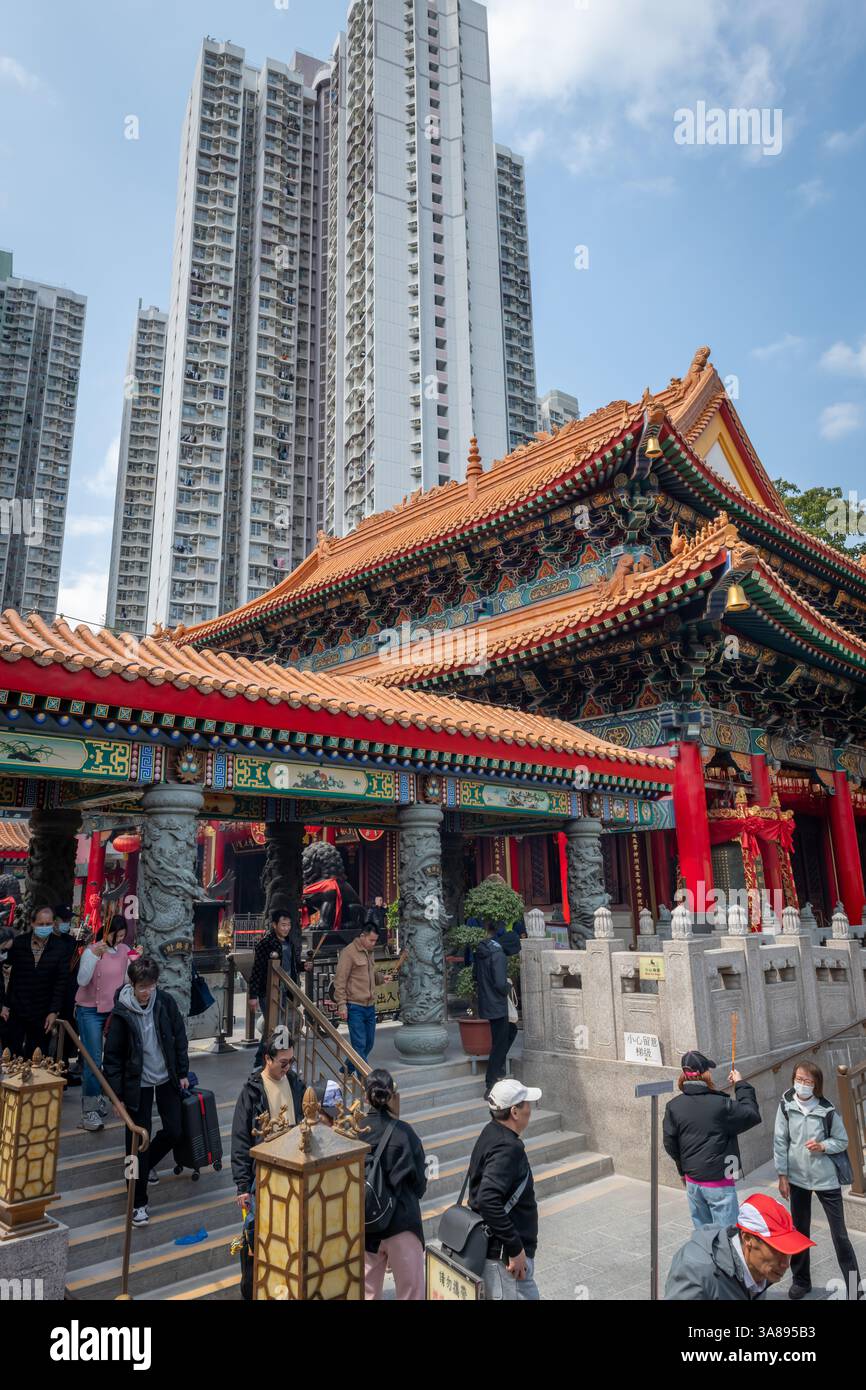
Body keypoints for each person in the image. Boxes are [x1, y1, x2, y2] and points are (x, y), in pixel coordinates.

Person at [102, 956, 190, 1227]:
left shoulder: (164, 1003)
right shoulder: (121, 1013)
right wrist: (115, 1098)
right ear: (133, 984)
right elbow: (113, 1058)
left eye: (151, 986)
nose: (147, 992)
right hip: (135, 1085)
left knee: (175, 1130)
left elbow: (179, 1036)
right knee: (135, 1142)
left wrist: (183, 1071)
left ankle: (147, 1163)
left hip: (166, 1078)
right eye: (143, 987)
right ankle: (137, 1200)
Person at [774, 1060, 862, 1300]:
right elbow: (780, 1142)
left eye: (808, 1081)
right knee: (800, 1232)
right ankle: (801, 1281)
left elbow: (841, 1141)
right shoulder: (786, 1105)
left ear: (816, 1084)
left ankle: (854, 1287)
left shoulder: (827, 1110)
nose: (802, 1084)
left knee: (840, 1235)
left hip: (827, 1180)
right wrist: (782, 1175)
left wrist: (823, 1146)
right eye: (799, 1079)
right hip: (798, 1179)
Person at [231, 1030, 306, 1301]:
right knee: (255, 1243)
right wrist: (241, 1185)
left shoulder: (295, 1083)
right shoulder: (252, 1091)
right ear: (267, 1058)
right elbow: (240, 1139)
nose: (287, 1068)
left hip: (291, 1177)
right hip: (259, 1178)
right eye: (282, 1062)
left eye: (291, 1062)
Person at [662, 1049, 761, 1229]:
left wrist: (683, 1170)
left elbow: (670, 1143)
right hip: (719, 1182)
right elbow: (751, 1115)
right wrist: (740, 1084)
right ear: (705, 1073)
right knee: (727, 1236)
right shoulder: (720, 1104)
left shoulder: (674, 1106)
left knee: (703, 1236)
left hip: (692, 1181)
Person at [467, 1077, 542, 1301]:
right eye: (526, 1103)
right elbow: (488, 1199)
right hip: (505, 1260)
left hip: (496, 1253)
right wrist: (515, 1247)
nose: (531, 1108)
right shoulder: (508, 1147)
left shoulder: (491, 1132)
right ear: (515, 1112)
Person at [664, 1191, 814, 1300]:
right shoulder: (695, 1270)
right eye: (777, 1251)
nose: (785, 1264)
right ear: (748, 1239)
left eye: (787, 1252)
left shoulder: (762, 1268)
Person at [362, 1068, 427, 1301]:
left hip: (366, 1225)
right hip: (402, 1222)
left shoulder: (353, 1132)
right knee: (411, 1293)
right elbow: (420, 1185)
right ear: (392, 1095)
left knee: (367, 1294)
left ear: (365, 1094)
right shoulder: (405, 1133)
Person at [74, 915, 136, 1132]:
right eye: (115, 935)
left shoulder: (124, 950)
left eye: (121, 936)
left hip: (113, 1011)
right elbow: (82, 980)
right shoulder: (92, 950)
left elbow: (128, 980)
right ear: (106, 931)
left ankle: (103, 1096)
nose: (118, 940)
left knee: (115, 1057)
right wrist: (92, 958)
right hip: (89, 1010)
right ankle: (89, 1109)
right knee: (93, 1059)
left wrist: (135, 960)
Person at [0, 904, 68, 1058]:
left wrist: (53, 1011)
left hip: (42, 1011)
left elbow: (61, 982)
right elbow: (8, 974)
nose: (45, 927)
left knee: (37, 1056)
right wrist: (5, 1004)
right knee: (11, 1055)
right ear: (32, 923)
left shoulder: (60, 947)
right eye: (41, 924)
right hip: (17, 1008)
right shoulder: (19, 944)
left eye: (48, 924)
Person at [334, 925, 392, 1068]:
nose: (373, 944)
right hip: (354, 1006)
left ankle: (347, 1068)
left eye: (375, 941)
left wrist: (380, 978)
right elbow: (340, 980)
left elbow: (368, 974)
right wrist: (342, 1004)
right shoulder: (348, 953)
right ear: (362, 936)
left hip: (369, 1005)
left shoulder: (369, 952)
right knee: (359, 1045)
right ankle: (365, 1080)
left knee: (369, 1043)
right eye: (371, 940)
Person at [473, 922, 511, 1097]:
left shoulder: (482, 951)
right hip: (498, 1004)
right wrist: (508, 988)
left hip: (486, 1002)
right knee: (499, 1043)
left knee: (505, 1036)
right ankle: (491, 1082)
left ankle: (499, 1074)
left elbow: (475, 976)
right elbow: (500, 983)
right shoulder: (499, 955)